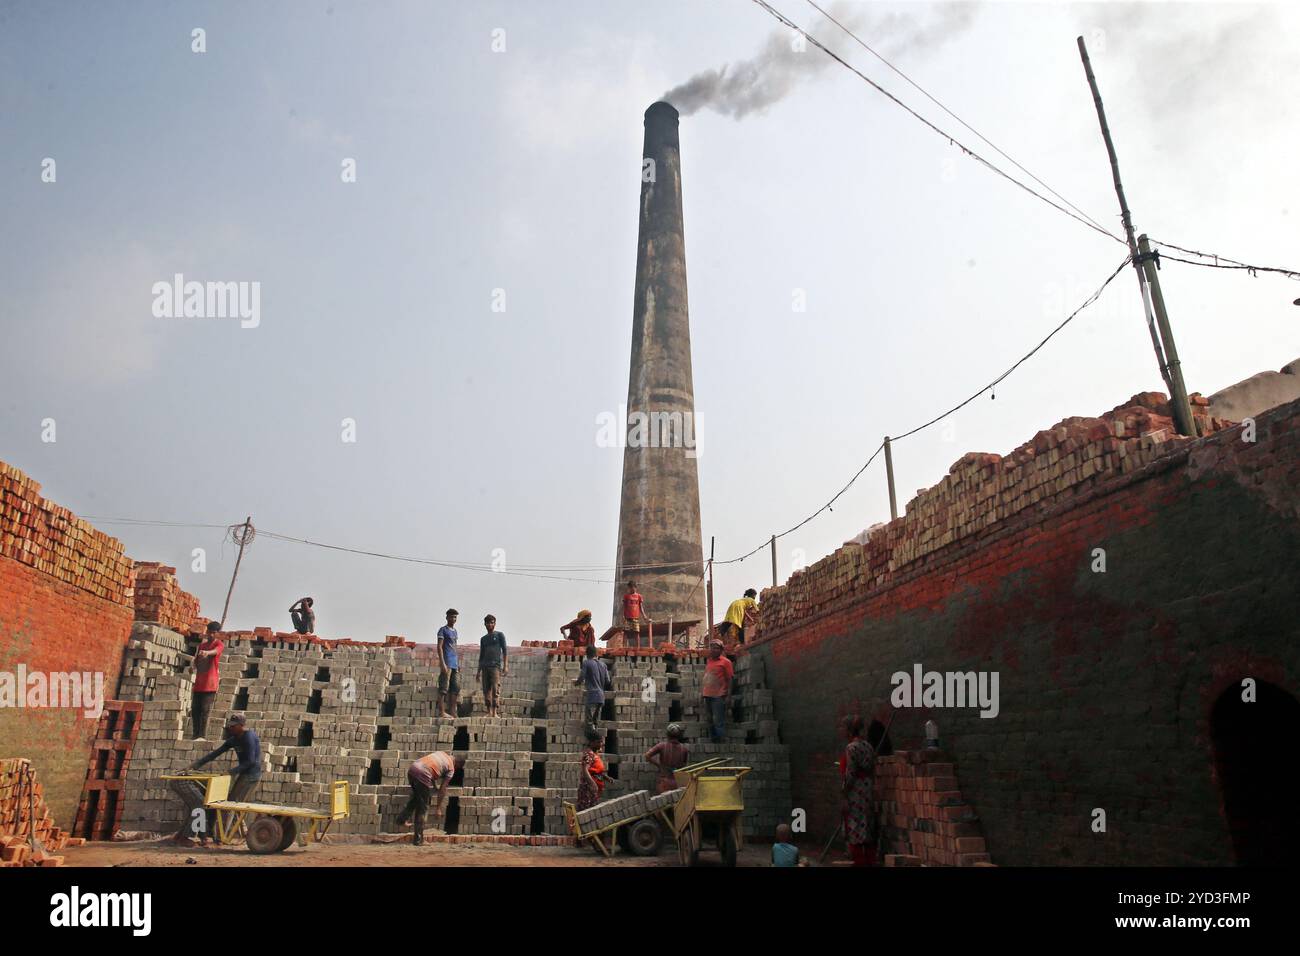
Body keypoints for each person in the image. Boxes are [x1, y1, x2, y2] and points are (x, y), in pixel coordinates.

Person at [192, 713, 261, 803]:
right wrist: (196, 765)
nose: (230, 728)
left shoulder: (249, 737)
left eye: (233, 726)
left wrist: (230, 772)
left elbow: (250, 761)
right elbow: (215, 753)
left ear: (241, 725)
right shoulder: (233, 740)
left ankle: (234, 817)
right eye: (230, 725)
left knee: (233, 803)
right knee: (232, 802)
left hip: (252, 775)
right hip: (243, 773)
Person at [396, 750, 461, 845]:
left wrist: (434, 786)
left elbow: (432, 770)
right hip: (423, 773)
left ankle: (401, 819)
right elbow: (443, 789)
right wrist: (438, 808)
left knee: (416, 798)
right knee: (423, 808)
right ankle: (419, 840)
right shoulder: (451, 768)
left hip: (413, 768)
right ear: (456, 764)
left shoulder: (441, 754)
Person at [840, 714, 878, 867]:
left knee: (855, 829)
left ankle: (859, 862)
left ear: (849, 730)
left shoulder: (851, 748)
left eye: (843, 728)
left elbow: (850, 774)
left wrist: (844, 794)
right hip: (868, 789)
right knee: (868, 827)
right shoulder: (868, 746)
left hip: (856, 792)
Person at [190, 621, 223, 739]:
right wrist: (192, 665)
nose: (211, 635)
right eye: (209, 632)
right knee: (195, 710)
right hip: (199, 683)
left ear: (217, 634)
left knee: (205, 710)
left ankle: (202, 736)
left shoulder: (218, 644)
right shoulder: (201, 646)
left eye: (214, 633)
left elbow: (216, 651)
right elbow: (196, 660)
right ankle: (195, 735)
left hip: (210, 684)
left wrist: (207, 653)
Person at [701, 639, 734, 742]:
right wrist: (702, 693)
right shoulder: (709, 662)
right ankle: (714, 739)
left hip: (719, 695)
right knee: (709, 718)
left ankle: (721, 740)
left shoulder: (726, 662)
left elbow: (730, 679)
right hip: (707, 694)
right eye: (712, 648)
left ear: (721, 650)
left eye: (716, 648)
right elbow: (706, 678)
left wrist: (729, 695)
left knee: (718, 719)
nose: (714, 650)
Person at [477, 615, 508, 718]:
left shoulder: (499, 635)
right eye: (488, 623)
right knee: (486, 690)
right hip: (485, 667)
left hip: (495, 666)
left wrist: (505, 666)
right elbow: (481, 655)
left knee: (495, 689)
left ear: (495, 623)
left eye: (492, 622)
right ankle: (488, 711)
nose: (490, 624)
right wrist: (478, 672)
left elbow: (505, 651)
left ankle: (495, 712)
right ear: (485, 624)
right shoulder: (483, 639)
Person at [644, 723, 689, 794]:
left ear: (667, 735)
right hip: (677, 782)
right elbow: (684, 765)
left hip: (664, 780)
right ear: (679, 735)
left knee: (663, 802)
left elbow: (647, 755)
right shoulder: (684, 749)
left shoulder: (662, 746)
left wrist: (659, 765)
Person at [573, 644, 610, 728]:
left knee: (589, 724)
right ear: (596, 654)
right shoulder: (603, 665)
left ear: (587, 655)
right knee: (595, 723)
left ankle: (594, 738)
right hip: (601, 698)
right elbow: (608, 681)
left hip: (592, 697)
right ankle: (597, 739)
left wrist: (576, 683)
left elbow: (582, 677)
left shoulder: (587, 663)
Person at [576, 728, 607, 812]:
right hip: (587, 792)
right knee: (587, 815)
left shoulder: (594, 754)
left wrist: (605, 777)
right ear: (592, 743)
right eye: (599, 742)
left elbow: (595, 771)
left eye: (601, 742)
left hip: (592, 792)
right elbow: (584, 769)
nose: (601, 744)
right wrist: (593, 783)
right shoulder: (589, 754)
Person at [436, 608, 460, 719]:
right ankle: (441, 712)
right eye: (451, 616)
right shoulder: (442, 630)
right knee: (443, 688)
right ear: (447, 617)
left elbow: (454, 647)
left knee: (455, 688)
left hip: (454, 664)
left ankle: (452, 712)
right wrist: (442, 663)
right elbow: (439, 647)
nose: (453, 619)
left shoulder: (455, 631)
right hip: (447, 663)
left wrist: (457, 663)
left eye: (455, 617)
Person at [620, 580, 650, 647]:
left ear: (635, 587)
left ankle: (637, 648)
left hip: (635, 618)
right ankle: (624, 647)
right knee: (625, 633)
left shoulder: (639, 596)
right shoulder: (626, 596)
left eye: (632, 587)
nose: (631, 589)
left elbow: (641, 607)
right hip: (627, 618)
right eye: (629, 588)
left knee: (636, 633)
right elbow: (623, 607)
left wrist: (644, 616)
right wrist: (622, 616)